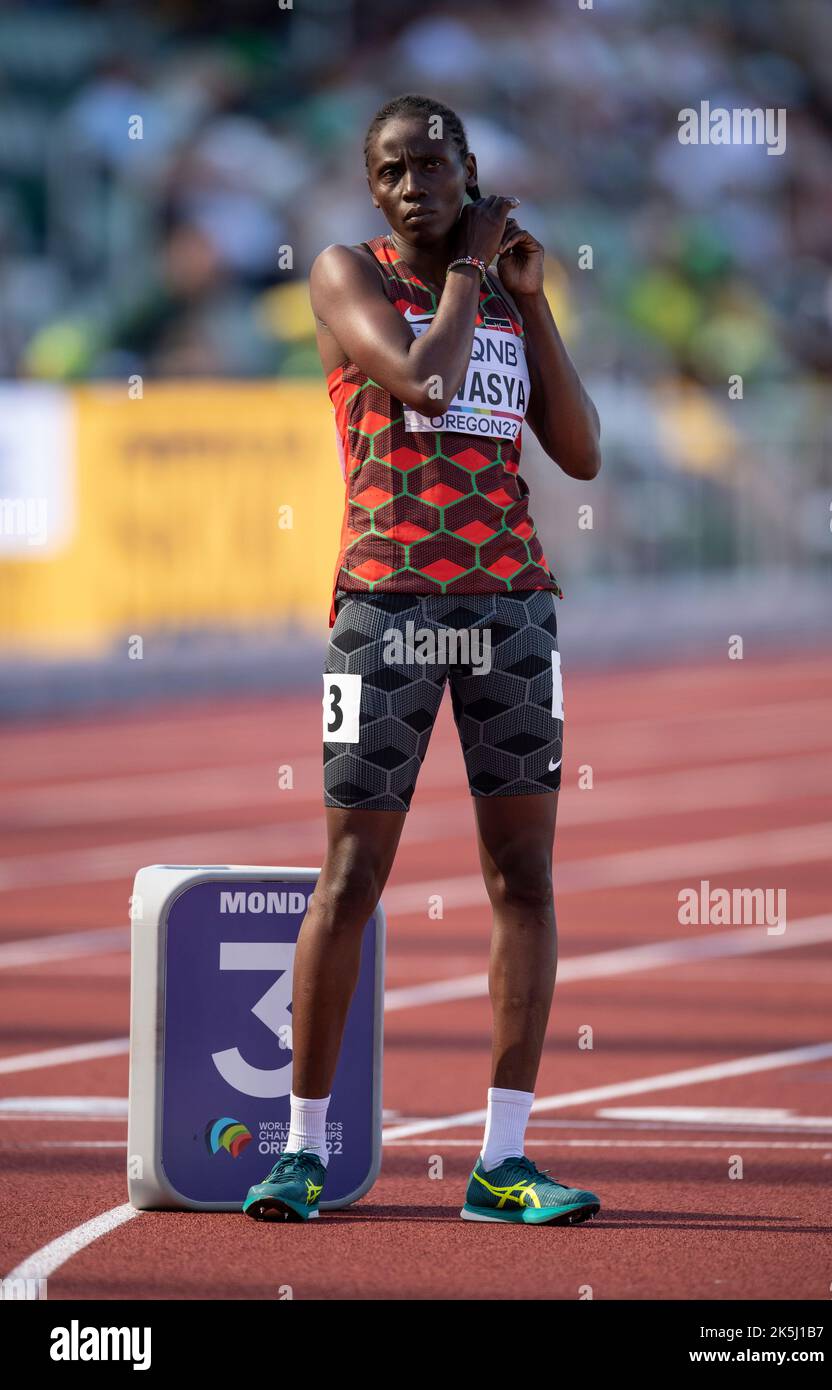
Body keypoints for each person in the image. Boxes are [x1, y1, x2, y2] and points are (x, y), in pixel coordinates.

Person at [244, 93, 602, 1226]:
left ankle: (502, 1159)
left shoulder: (500, 292)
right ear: (373, 189)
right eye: (393, 171)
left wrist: (529, 301)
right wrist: (470, 275)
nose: (415, 188)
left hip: (510, 606)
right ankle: (303, 1147)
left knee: (525, 879)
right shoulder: (348, 274)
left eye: (433, 166)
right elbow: (422, 380)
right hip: (386, 607)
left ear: (470, 172)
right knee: (351, 876)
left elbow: (580, 452)